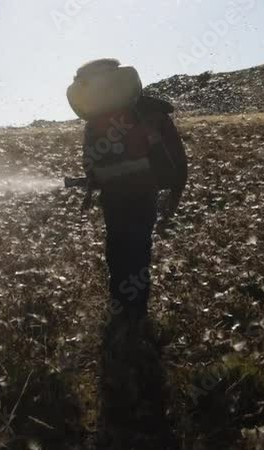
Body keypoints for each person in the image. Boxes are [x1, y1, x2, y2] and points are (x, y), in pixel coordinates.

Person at [67, 59, 189, 342]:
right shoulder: (148, 112)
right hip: (129, 198)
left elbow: (94, 164)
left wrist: (173, 196)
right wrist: (174, 196)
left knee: (124, 253)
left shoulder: (123, 117)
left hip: (125, 199)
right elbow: (176, 161)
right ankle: (129, 315)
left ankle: (130, 318)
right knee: (129, 253)